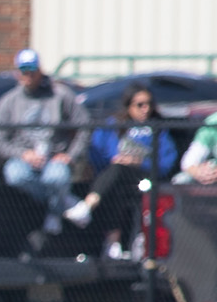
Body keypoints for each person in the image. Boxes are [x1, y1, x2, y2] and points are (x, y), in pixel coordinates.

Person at [0, 49, 90, 240]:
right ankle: (57, 203)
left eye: (32, 70)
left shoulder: (60, 94)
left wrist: (70, 155)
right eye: (24, 71)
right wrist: (23, 154)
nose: (28, 76)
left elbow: (85, 126)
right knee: (15, 174)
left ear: (40, 70)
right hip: (23, 159)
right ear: (17, 73)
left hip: (53, 157)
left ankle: (54, 209)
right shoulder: (9, 101)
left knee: (56, 176)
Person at [62, 83, 180, 258]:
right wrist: (113, 160)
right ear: (128, 106)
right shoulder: (114, 126)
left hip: (144, 178)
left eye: (149, 104)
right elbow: (97, 151)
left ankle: (87, 206)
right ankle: (113, 245)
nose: (145, 109)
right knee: (115, 181)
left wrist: (138, 162)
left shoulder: (158, 130)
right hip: (116, 180)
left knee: (119, 171)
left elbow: (166, 162)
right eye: (140, 105)